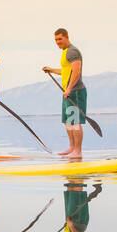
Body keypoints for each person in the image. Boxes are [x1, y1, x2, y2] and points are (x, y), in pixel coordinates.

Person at [42, 28, 86, 159]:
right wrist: (50, 69)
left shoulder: (73, 51)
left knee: (75, 121)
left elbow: (76, 72)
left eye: (60, 39)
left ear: (67, 37)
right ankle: (72, 148)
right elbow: (66, 71)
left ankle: (77, 151)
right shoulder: (65, 52)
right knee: (68, 122)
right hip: (67, 92)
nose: (57, 42)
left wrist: (69, 89)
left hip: (75, 91)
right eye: (56, 40)